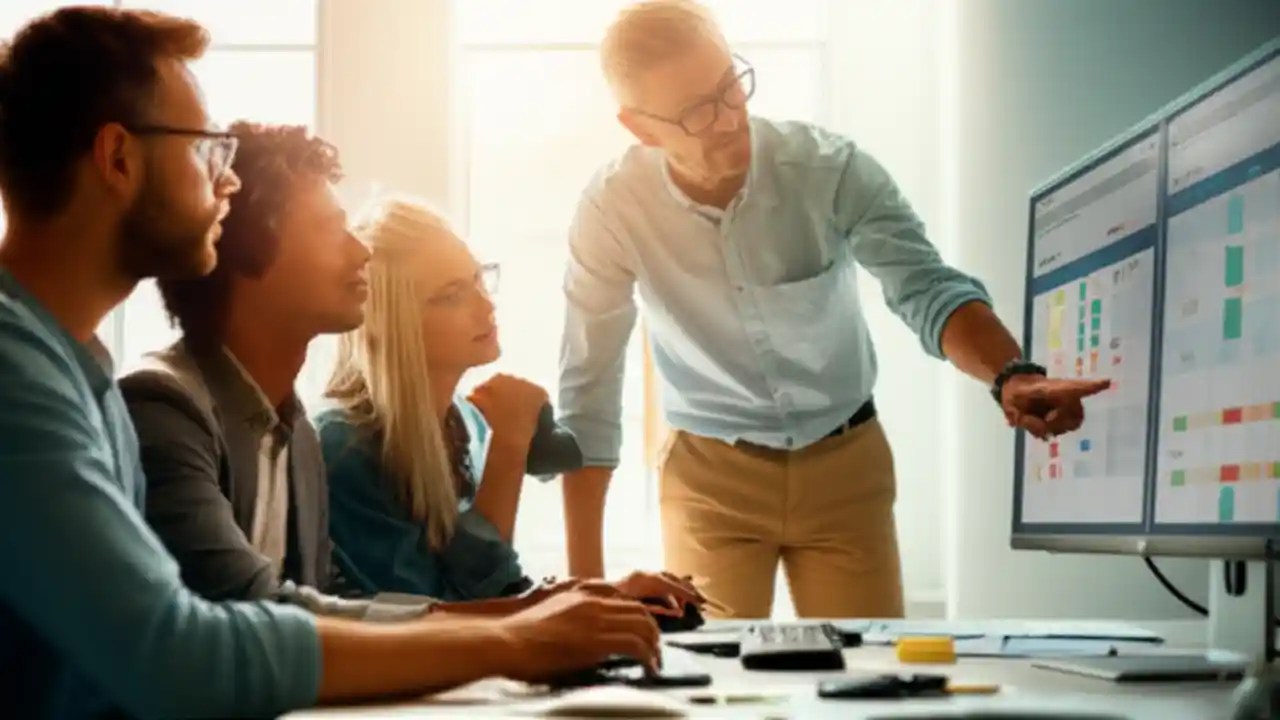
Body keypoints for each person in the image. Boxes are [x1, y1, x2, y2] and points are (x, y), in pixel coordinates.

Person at [0, 8, 660, 718]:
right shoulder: (20, 377)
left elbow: (280, 609)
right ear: (118, 158)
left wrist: (520, 619)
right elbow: (173, 650)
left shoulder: (77, 366)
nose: (226, 183)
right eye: (203, 150)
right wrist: (514, 642)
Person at [557, 0, 1111, 619]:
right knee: (714, 684)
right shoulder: (611, 209)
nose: (728, 119)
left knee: (876, 679)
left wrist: (1012, 375)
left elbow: (926, 286)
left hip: (846, 463)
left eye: (729, 87)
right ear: (641, 128)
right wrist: (583, 586)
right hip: (710, 477)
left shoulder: (828, 169)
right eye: (695, 111)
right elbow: (590, 387)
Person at [318, 196, 704, 610]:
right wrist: (507, 453)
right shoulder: (344, 446)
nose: (486, 305)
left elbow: (503, 595)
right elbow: (431, 619)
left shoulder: (464, 422)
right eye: (452, 295)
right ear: (392, 322)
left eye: (479, 280)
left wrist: (608, 594)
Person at [120, 122, 362, 603]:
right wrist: (495, 636)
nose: (362, 250)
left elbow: (328, 593)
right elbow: (252, 609)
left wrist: (495, 623)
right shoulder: (162, 411)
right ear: (251, 253)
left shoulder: (299, 433)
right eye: (332, 229)